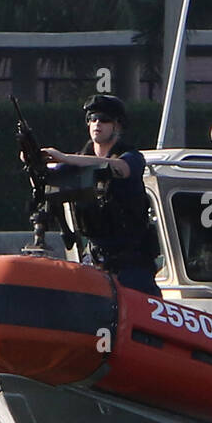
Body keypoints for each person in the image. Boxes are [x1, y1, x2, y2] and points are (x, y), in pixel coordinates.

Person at [42, 95, 162, 297]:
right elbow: (47, 181)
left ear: (118, 126)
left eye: (104, 119)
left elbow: (121, 169)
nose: (97, 123)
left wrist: (66, 158)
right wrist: (35, 161)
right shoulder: (76, 162)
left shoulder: (130, 157)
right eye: (92, 118)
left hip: (131, 265)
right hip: (95, 260)